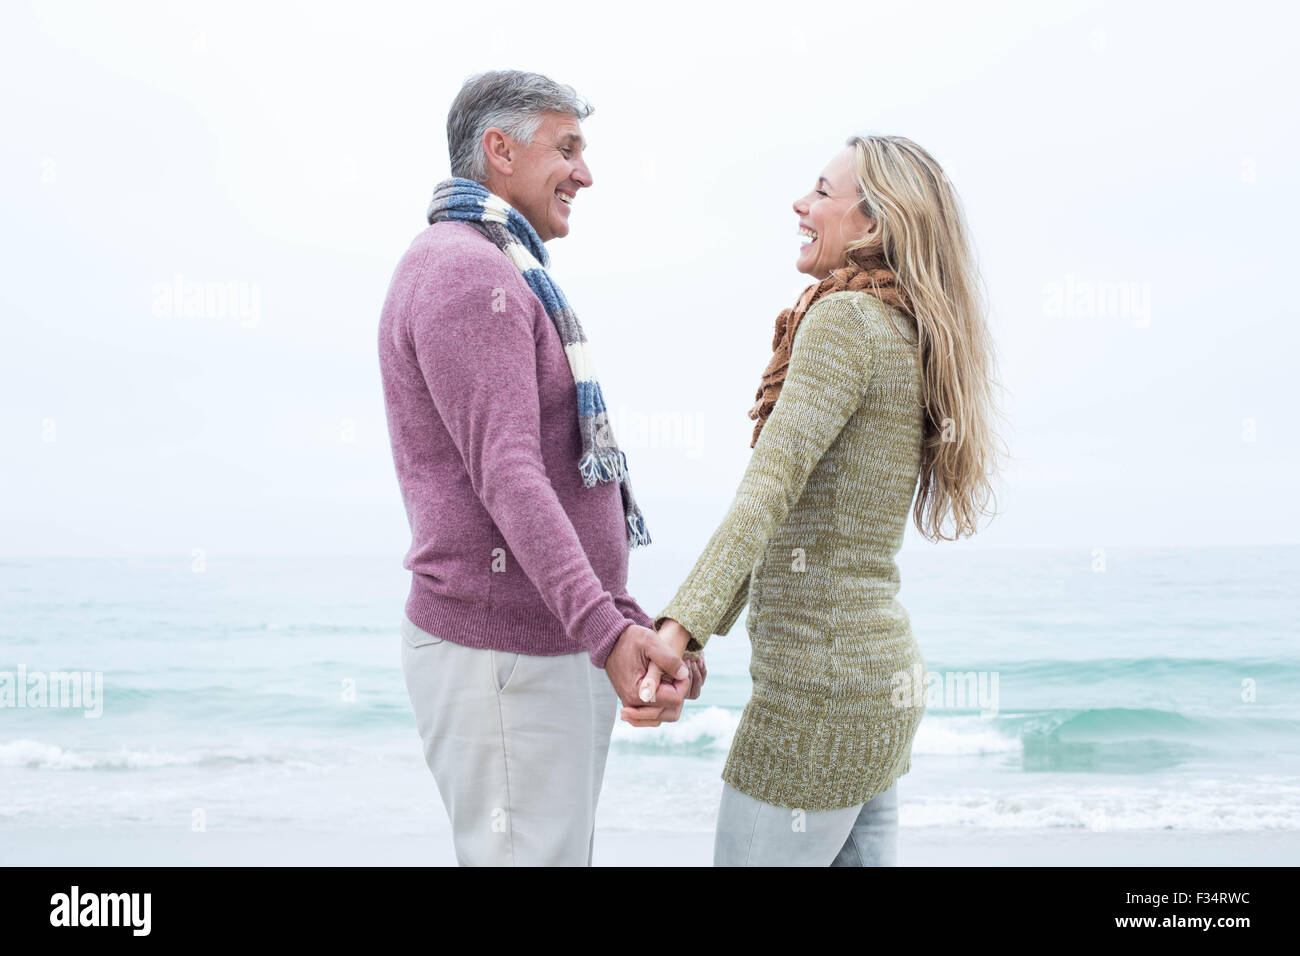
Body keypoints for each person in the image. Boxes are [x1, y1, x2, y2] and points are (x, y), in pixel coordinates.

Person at [624, 134, 1002, 866]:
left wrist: (675, 633)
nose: (801, 204)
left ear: (874, 223)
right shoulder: (905, 329)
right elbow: (794, 513)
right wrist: (697, 632)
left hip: (817, 698)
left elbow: (769, 490)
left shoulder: (843, 322)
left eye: (823, 192)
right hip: (879, 685)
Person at [377, 70, 703, 866]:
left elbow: (565, 481)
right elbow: (510, 474)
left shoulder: (501, 268)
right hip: (506, 659)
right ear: (499, 149)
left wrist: (621, 623)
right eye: (567, 149)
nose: (585, 174)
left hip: (537, 651)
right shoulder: (466, 272)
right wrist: (607, 633)